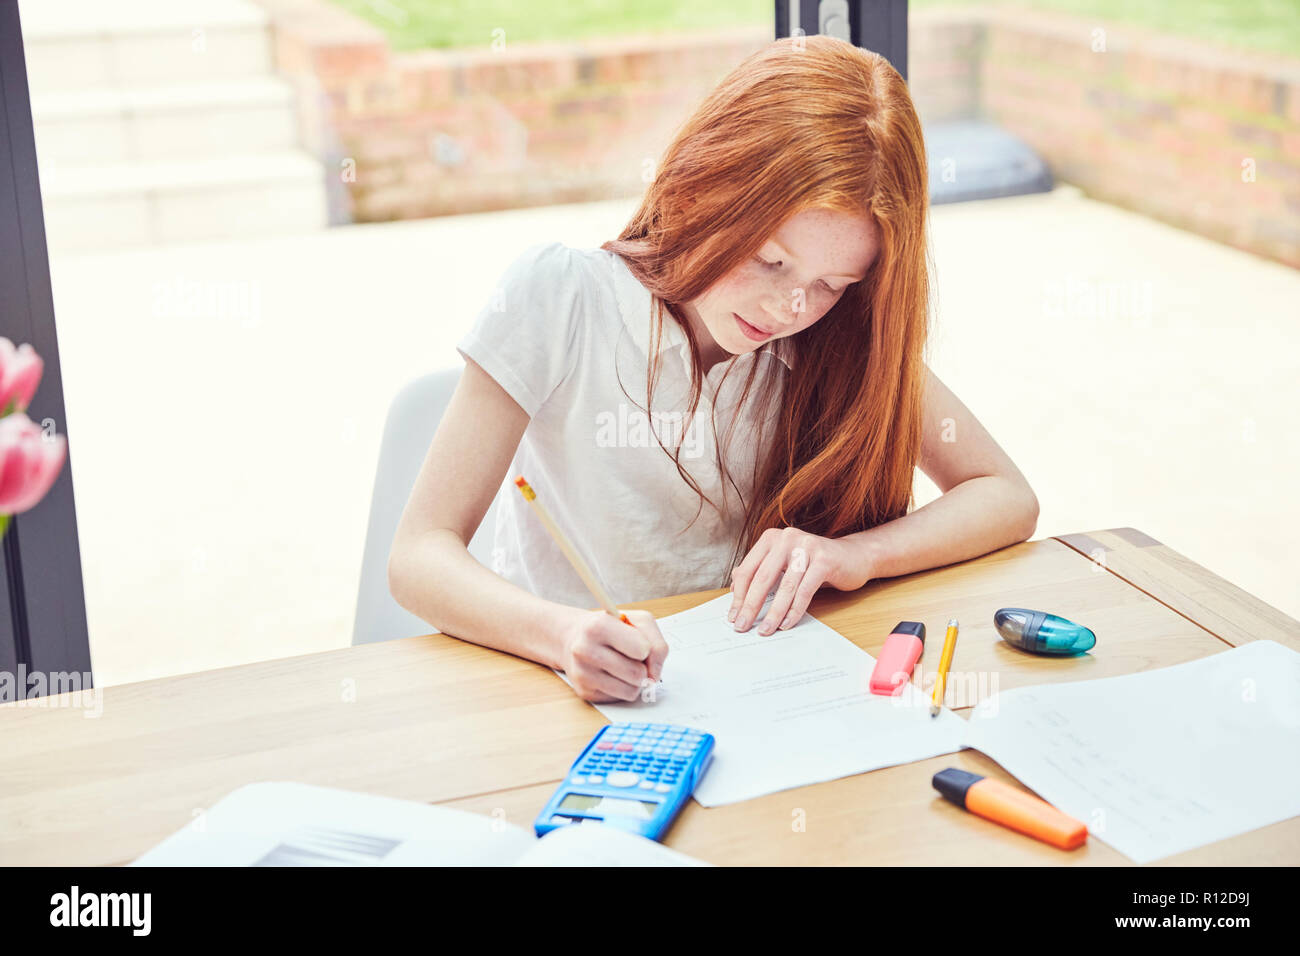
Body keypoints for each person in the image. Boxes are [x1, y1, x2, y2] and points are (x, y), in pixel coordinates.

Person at [389, 35, 1038, 703]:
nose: (790, 307)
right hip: (558, 700)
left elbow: (1005, 496)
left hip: (757, 692)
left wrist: (856, 556)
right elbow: (418, 557)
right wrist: (560, 635)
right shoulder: (560, 296)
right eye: (771, 260)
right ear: (704, 186)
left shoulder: (837, 338)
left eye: (832, 283)